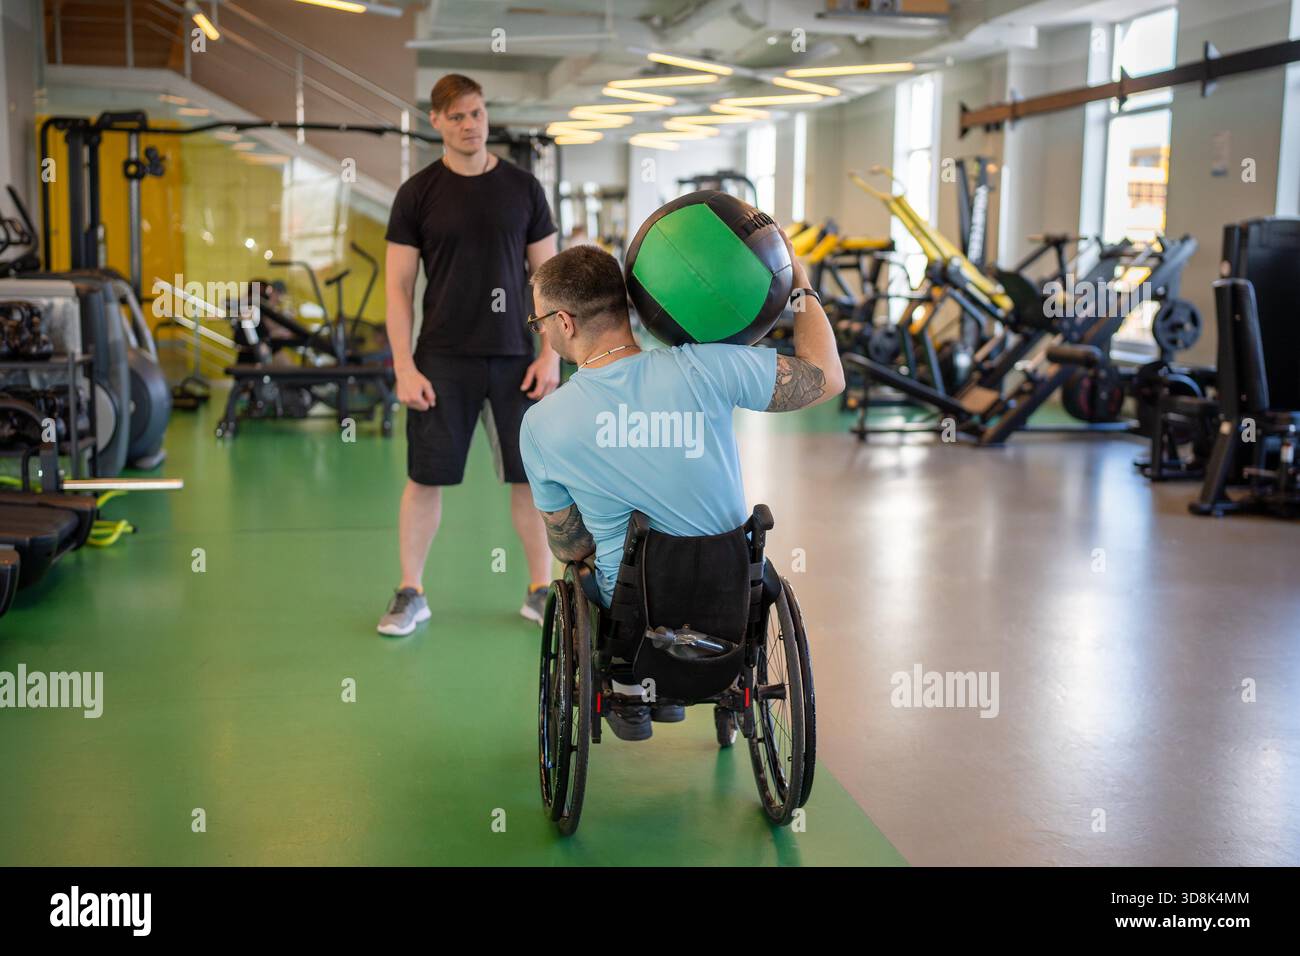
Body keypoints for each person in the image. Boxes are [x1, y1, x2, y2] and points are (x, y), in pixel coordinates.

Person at [518, 239, 844, 738]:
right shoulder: (708, 365)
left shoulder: (541, 424)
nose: (544, 331)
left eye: (540, 321)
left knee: (580, 564)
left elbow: (571, 545)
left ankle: (631, 687)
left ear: (564, 322)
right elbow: (826, 378)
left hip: (633, 606)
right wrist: (798, 285)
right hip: (732, 585)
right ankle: (705, 683)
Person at [378, 73, 560, 637]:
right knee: (424, 478)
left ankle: (540, 590)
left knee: (530, 479)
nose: (468, 125)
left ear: (487, 117)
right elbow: (398, 289)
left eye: (476, 114)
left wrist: (550, 354)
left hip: (514, 357)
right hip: (441, 360)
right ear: (436, 121)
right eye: (456, 116)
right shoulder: (417, 194)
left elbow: (548, 279)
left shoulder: (524, 189)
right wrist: (404, 366)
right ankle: (412, 592)